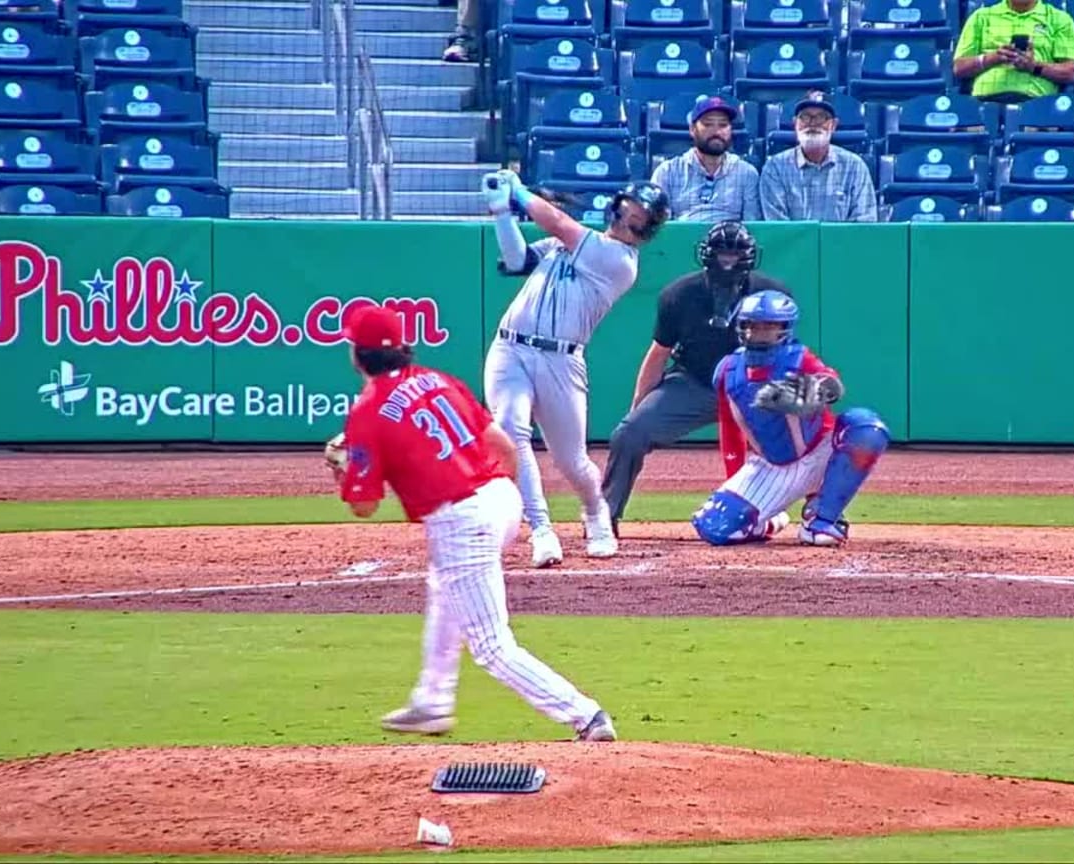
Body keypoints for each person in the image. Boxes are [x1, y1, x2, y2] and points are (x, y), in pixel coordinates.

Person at [326, 305, 617, 743]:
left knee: (491, 646)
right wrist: (498, 503)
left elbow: (364, 506)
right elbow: (503, 446)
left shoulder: (368, 411)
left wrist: (340, 471)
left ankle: (586, 715)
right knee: (444, 583)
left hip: (461, 519)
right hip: (501, 497)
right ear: (403, 348)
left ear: (358, 355)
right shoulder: (438, 380)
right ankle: (432, 702)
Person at [482, 168, 671, 568]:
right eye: (629, 213)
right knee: (511, 431)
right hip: (510, 349)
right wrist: (501, 211)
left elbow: (559, 222)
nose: (630, 223)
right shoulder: (571, 242)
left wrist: (516, 191)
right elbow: (516, 259)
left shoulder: (620, 261)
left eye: (640, 221)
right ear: (616, 210)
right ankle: (542, 530)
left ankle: (596, 511)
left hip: (561, 361)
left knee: (571, 460)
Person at [601, 221, 789, 532]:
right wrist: (638, 408)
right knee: (629, 433)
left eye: (734, 255)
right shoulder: (679, 294)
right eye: (721, 254)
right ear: (706, 256)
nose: (727, 262)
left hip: (754, 387)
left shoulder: (772, 294)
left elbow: (785, 353)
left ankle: (822, 514)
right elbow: (659, 353)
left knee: (808, 436)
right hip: (695, 382)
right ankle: (605, 517)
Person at [691, 290, 891, 547]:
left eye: (768, 327)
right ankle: (769, 520)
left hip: (819, 451)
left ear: (784, 329)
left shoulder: (798, 357)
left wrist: (810, 390)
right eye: (751, 326)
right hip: (772, 464)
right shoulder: (728, 369)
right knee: (714, 529)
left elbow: (832, 383)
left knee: (866, 427)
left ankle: (822, 517)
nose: (758, 333)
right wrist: (734, 475)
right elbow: (730, 427)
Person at [757, 91, 878, 223]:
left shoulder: (855, 167)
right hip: (791, 243)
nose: (813, 123)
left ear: (833, 125)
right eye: (805, 117)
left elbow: (864, 223)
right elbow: (777, 228)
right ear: (795, 124)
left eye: (821, 117)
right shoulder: (775, 168)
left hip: (843, 243)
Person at [649, 96, 763, 223]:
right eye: (708, 124)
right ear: (692, 130)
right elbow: (659, 230)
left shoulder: (746, 173)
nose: (716, 131)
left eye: (723, 125)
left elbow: (753, 227)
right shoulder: (667, 172)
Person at [951, 0, 1074, 104]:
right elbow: (959, 68)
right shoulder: (981, 17)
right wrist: (994, 58)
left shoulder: (1061, 20)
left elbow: (1072, 73)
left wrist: (1034, 67)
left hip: (1036, 103)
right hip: (984, 101)